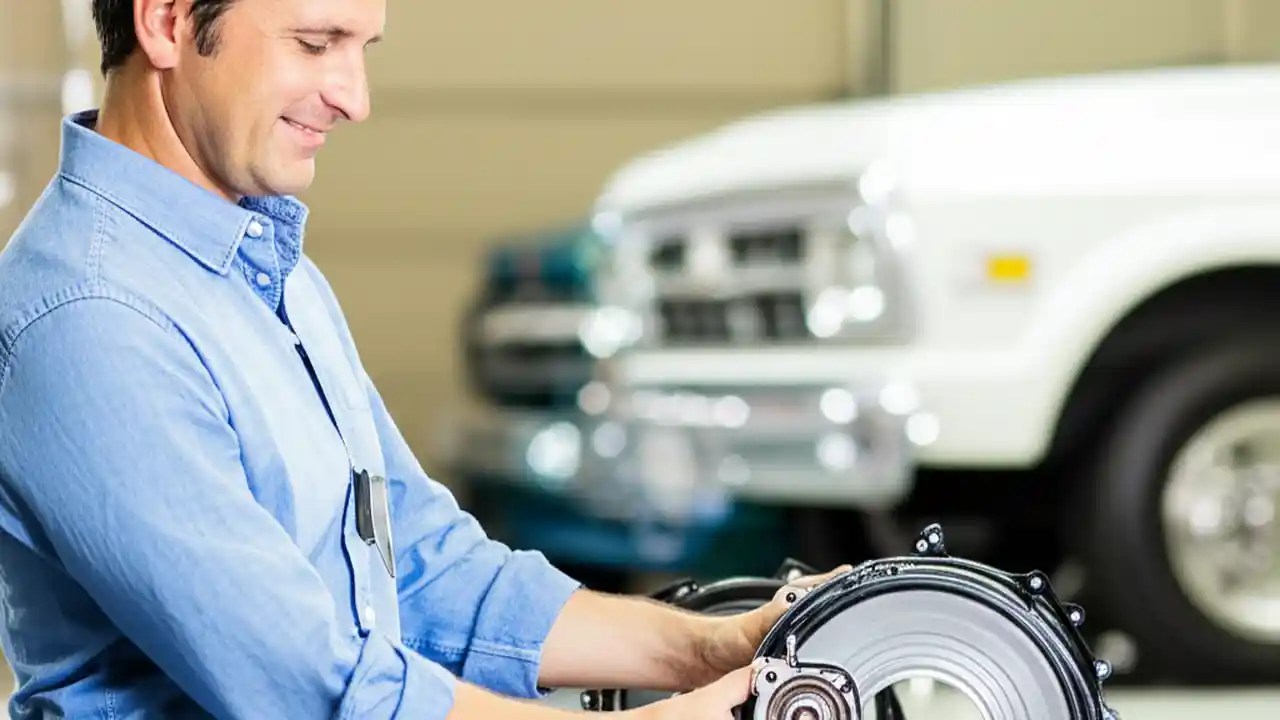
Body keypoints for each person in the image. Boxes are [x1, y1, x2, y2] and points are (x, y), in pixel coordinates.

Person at [0, 1, 847, 718]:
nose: (354, 98)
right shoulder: (92, 320)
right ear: (167, 21)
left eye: (362, 50)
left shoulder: (267, 270)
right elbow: (316, 694)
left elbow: (425, 566)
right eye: (316, 42)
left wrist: (710, 647)